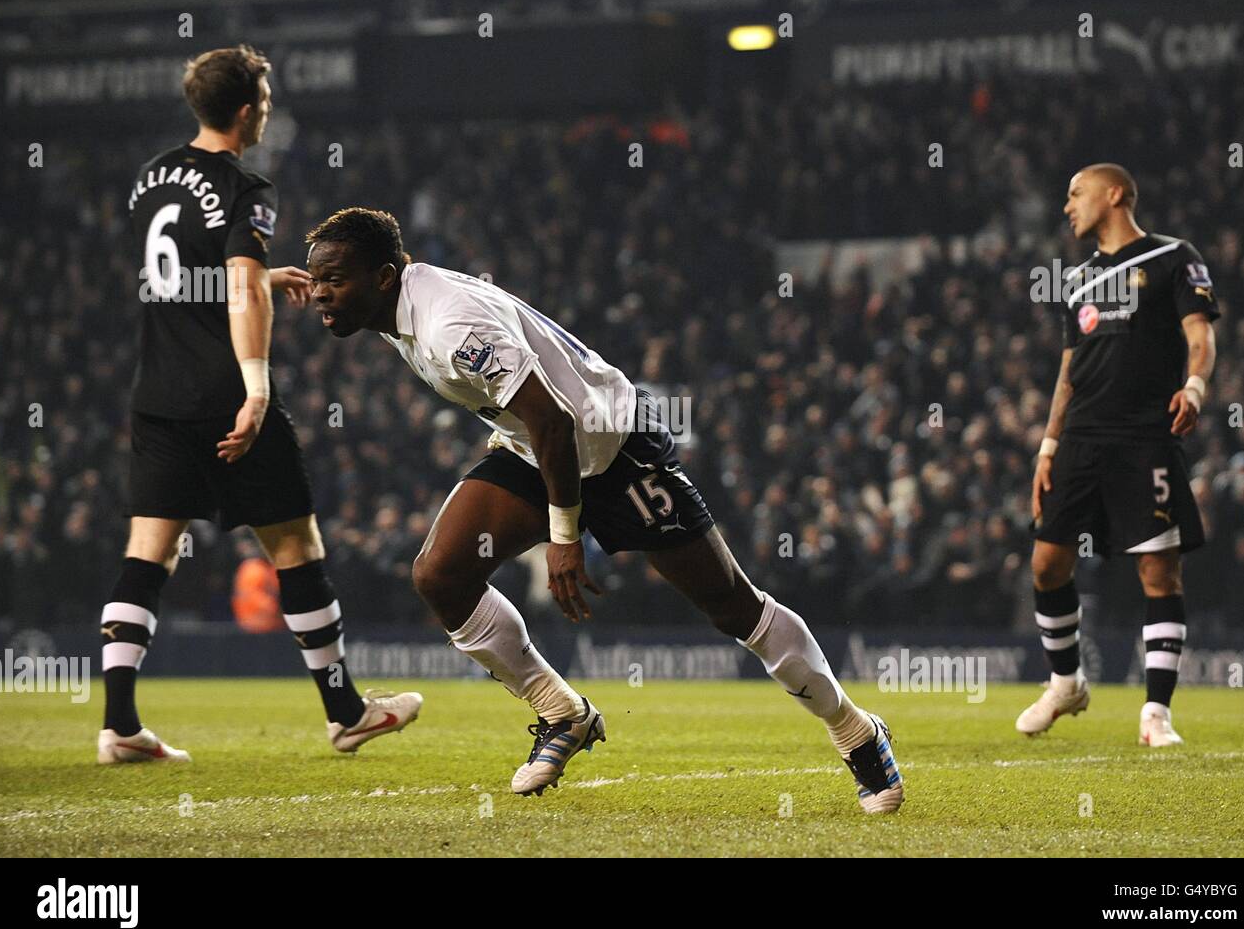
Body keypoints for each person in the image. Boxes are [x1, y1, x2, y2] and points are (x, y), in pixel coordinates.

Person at [303, 207, 903, 811]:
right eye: (315, 279)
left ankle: (857, 732)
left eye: (333, 280)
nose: (320, 293)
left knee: (733, 607)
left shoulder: (447, 323)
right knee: (441, 574)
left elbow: (553, 417)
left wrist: (563, 538)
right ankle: (563, 714)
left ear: (383, 276)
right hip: (537, 450)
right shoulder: (392, 305)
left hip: (609, 446)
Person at [99, 46, 420, 765]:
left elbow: (178, 278)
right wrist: (257, 385)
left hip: (156, 393)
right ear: (247, 109)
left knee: (147, 552)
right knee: (296, 545)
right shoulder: (246, 185)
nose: (268, 111)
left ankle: (118, 724)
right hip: (220, 390)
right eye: (266, 100)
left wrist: (255, 275)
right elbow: (236, 290)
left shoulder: (152, 178)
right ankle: (347, 713)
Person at [1023, 163, 1218, 746]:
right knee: (1046, 564)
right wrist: (1049, 444)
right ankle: (1066, 683)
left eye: (1075, 193)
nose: (1067, 206)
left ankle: (1155, 714)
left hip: (1144, 437)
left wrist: (1197, 386)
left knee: (1159, 571)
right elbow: (1067, 372)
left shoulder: (1172, 257)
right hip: (1081, 438)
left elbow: (1201, 334)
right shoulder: (1078, 281)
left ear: (1114, 195)